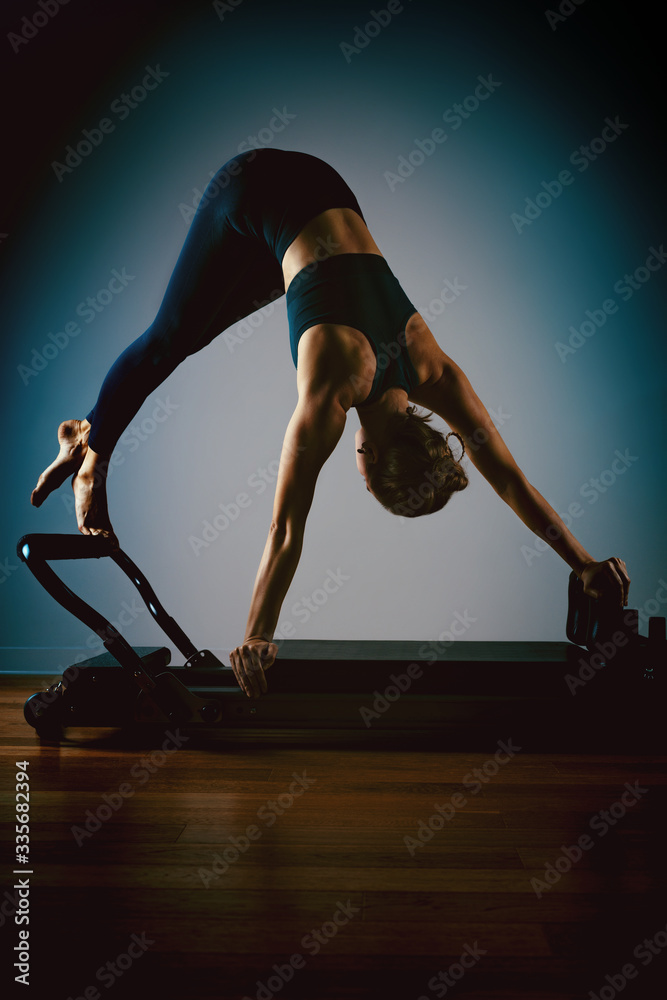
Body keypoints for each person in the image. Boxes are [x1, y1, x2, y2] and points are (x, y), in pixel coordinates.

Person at [30, 148, 630, 697]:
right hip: (253, 187)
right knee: (168, 340)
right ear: (369, 465)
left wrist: (583, 562)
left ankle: (90, 435)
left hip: (329, 188)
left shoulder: (432, 369)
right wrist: (257, 635)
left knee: (191, 333)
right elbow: (284, 531)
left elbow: (510, 480)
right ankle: (87, 441)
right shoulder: (330, 394)